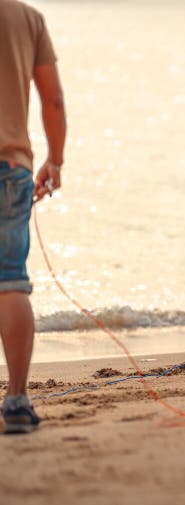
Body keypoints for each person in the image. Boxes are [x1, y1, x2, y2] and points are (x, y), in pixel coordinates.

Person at [0, 0, 66, 433]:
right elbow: (53, 99)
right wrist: (55, 160)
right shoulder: (26, 17)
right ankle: (18, 402)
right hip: (11, 167)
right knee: (9, 281)